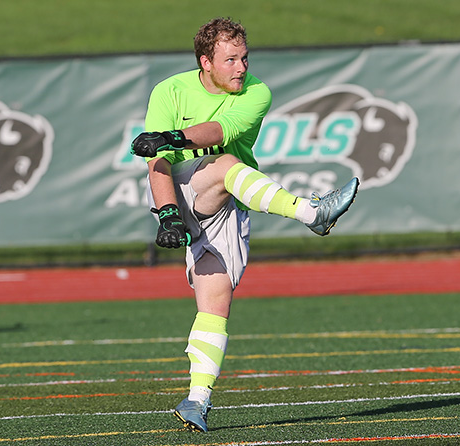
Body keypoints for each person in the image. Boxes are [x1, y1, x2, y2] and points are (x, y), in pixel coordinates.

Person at [130, 17, 359, 433]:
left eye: (244, 57)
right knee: (228, 164)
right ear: (206, 62)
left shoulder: (257, 92)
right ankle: (312, 214)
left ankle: (197, 400)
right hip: (182, 187)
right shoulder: (169, 90)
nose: (241, 67)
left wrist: (173, 137)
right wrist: (166, 213)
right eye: (230, 59)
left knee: (216, 302)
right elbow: (158, 163)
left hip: (225, 199)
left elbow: (220, 130)